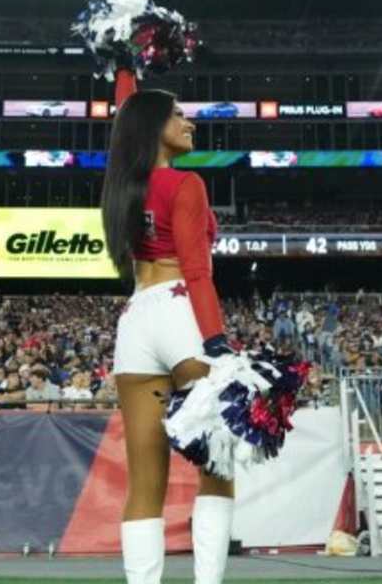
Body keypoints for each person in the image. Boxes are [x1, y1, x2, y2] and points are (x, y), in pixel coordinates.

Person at [100, 89, 232, 584]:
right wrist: (217, 342)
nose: (189, 122)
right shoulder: (186, 183)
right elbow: (197, 270)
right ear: (154, 125)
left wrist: (126, 76)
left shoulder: (121, 188)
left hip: (136, 323)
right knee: (218, 466)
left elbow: (128, 113)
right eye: (178, 114)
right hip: (183, 315)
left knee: (144, 485)